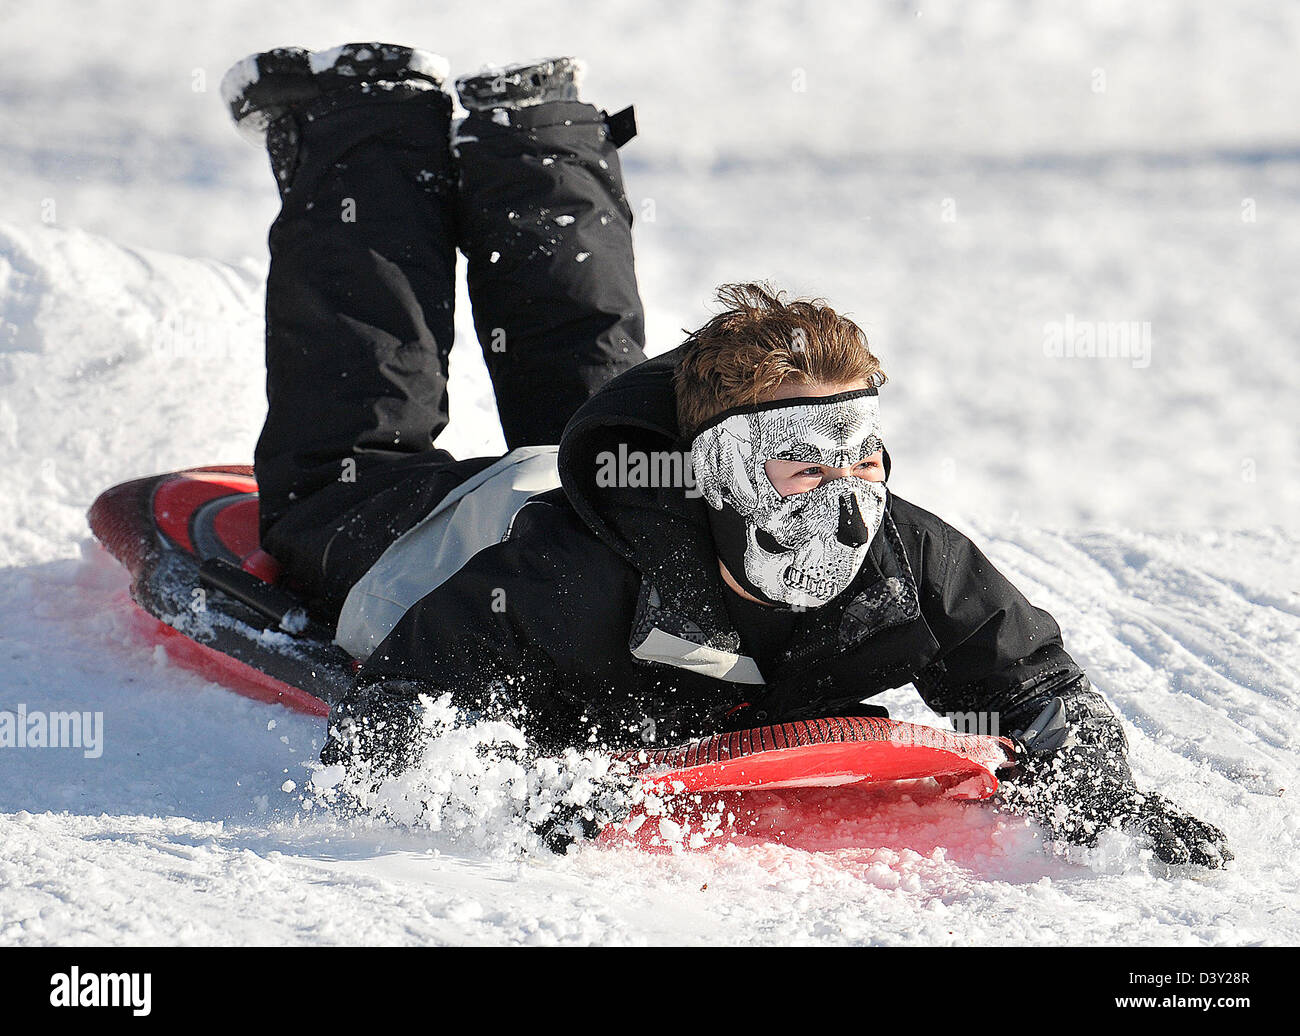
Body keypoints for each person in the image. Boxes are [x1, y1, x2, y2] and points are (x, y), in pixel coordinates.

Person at [222, 43, 1231, 866]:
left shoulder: (903, 559)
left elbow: (1038, 689)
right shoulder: (568, 579)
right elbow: (392, 720)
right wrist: (504, 787)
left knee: (587, 395)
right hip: (444, 529)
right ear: (724, 468)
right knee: (348, 449)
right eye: (802, 462)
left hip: (604, 485)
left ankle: (537, 136)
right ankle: (359, 117)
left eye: (862, 456)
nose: (845, 500)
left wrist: (1101, 799)